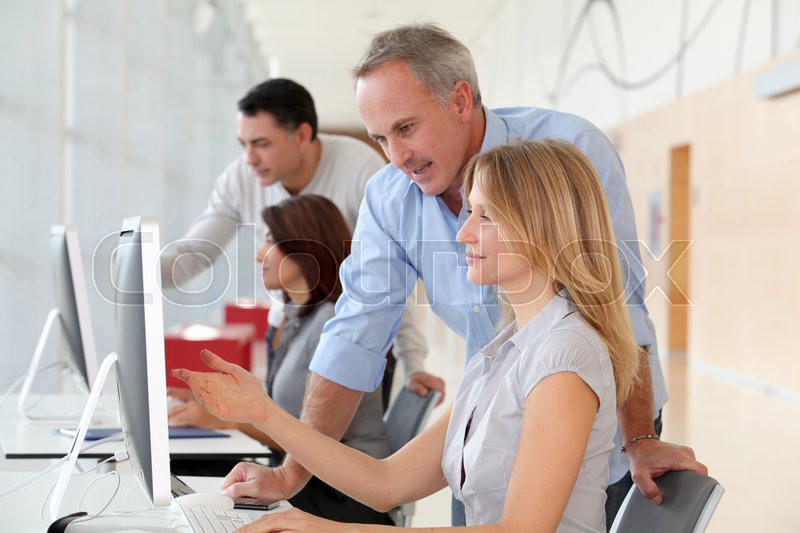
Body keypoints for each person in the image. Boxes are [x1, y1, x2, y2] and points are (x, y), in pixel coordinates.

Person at [212, 24, 706, 529]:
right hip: (495, 418)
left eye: (406, 128)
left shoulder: (566, 350)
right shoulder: (493, 357)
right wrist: (279, 446)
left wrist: (639, 437)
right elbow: (359, 346)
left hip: (598, 418)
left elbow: (618, 310)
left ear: (461, 100)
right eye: (380, 138)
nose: (395, 157)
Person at [175, 139, 653, 531]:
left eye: (485, 216)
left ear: (542, 227)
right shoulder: (502, 352)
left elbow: (521, 531)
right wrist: (263, 413)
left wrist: (328, 529)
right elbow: (388, 482)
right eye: (470, 212)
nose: (463, 233)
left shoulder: (565, 355)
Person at [159, 78, 445, 401]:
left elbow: (390, 276)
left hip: (356, 335)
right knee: (281, 421)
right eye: (244, 144)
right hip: (287, 327)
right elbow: (193, 255)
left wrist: (413, 363)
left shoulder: (359, 169)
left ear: (302, 135)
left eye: (261, 143)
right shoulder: (240, 178)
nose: (250, 158)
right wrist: (133, 269)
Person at [171, 194, 394, 525]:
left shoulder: (332, 325)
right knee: (186, 471)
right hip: (304, 474)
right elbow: (286, 416)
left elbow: (311, 437)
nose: (259, 255)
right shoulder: (296, 320)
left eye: (270, 241)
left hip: (341, 492)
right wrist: (210, 402)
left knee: (189, 474)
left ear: (306, 246)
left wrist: (230, 420)